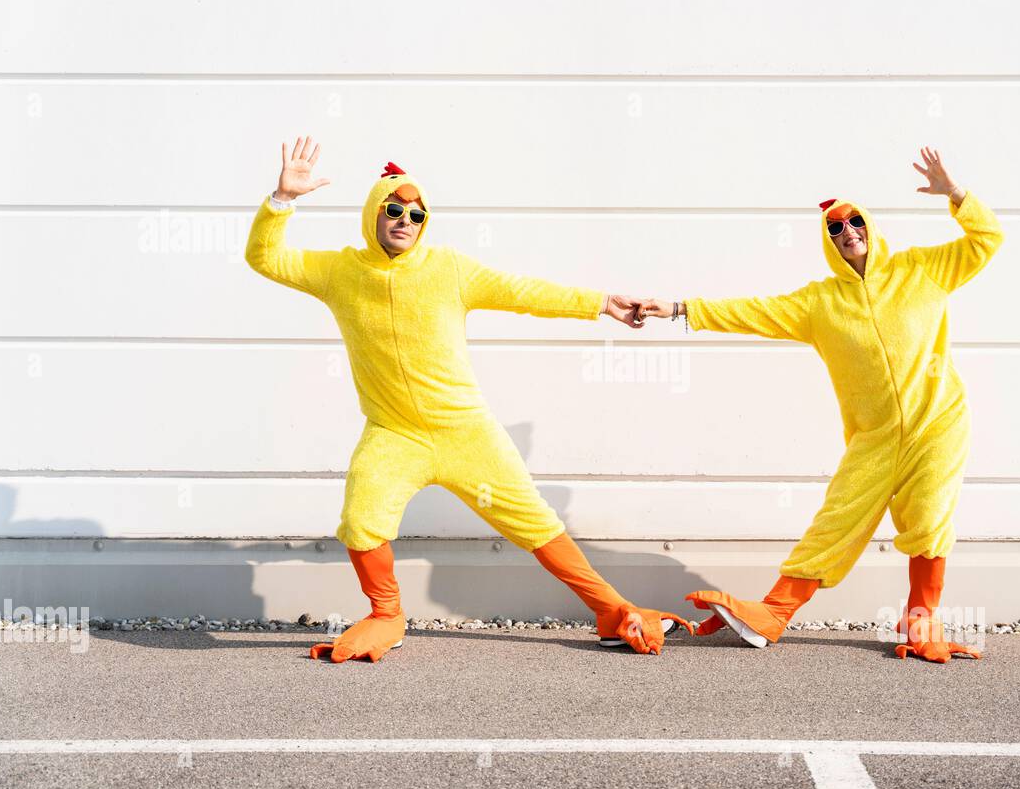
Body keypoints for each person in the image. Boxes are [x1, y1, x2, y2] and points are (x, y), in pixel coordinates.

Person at [244, 136, 692, 662]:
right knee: (361, 517)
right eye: (393, 209)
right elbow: (264, 258)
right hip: (394, 433)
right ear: (374, 215)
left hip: (466, 432)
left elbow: (524, 293)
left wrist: (601, 304)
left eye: (416, 213)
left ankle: (613, 610)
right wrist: (282, 200)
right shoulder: (340, 271)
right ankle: (387, 615)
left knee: (535, 522)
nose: (405, 220)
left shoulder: (449, 269)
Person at [636, 147, 1001, 663]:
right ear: (830, 243)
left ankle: (921, 623)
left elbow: (988, 240)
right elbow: (749, 312)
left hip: (937, 424)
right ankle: (772, 614)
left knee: (929, 518)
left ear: (870, 226)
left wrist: (956, 195)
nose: (848, 231)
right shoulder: (818, 303)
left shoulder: (923, 269)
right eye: (836, 228)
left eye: (855, 221)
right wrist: (677, 309)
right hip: (874, 437)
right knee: (835, 522)